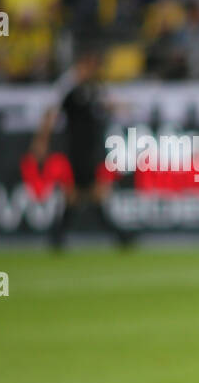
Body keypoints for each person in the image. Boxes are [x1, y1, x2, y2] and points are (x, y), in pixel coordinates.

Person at [30, 44, 134, 250]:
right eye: (92, 65)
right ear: (83, 64)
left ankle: (60, 237)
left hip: (92, 146)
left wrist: (121, 106)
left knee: (89, 193)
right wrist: (41, 141)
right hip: (75, 148)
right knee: (77, 195)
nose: (94, 69)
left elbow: (103, 104)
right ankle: (118, 237)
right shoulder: (67, 86)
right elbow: (50, 113)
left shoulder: (93, 86)